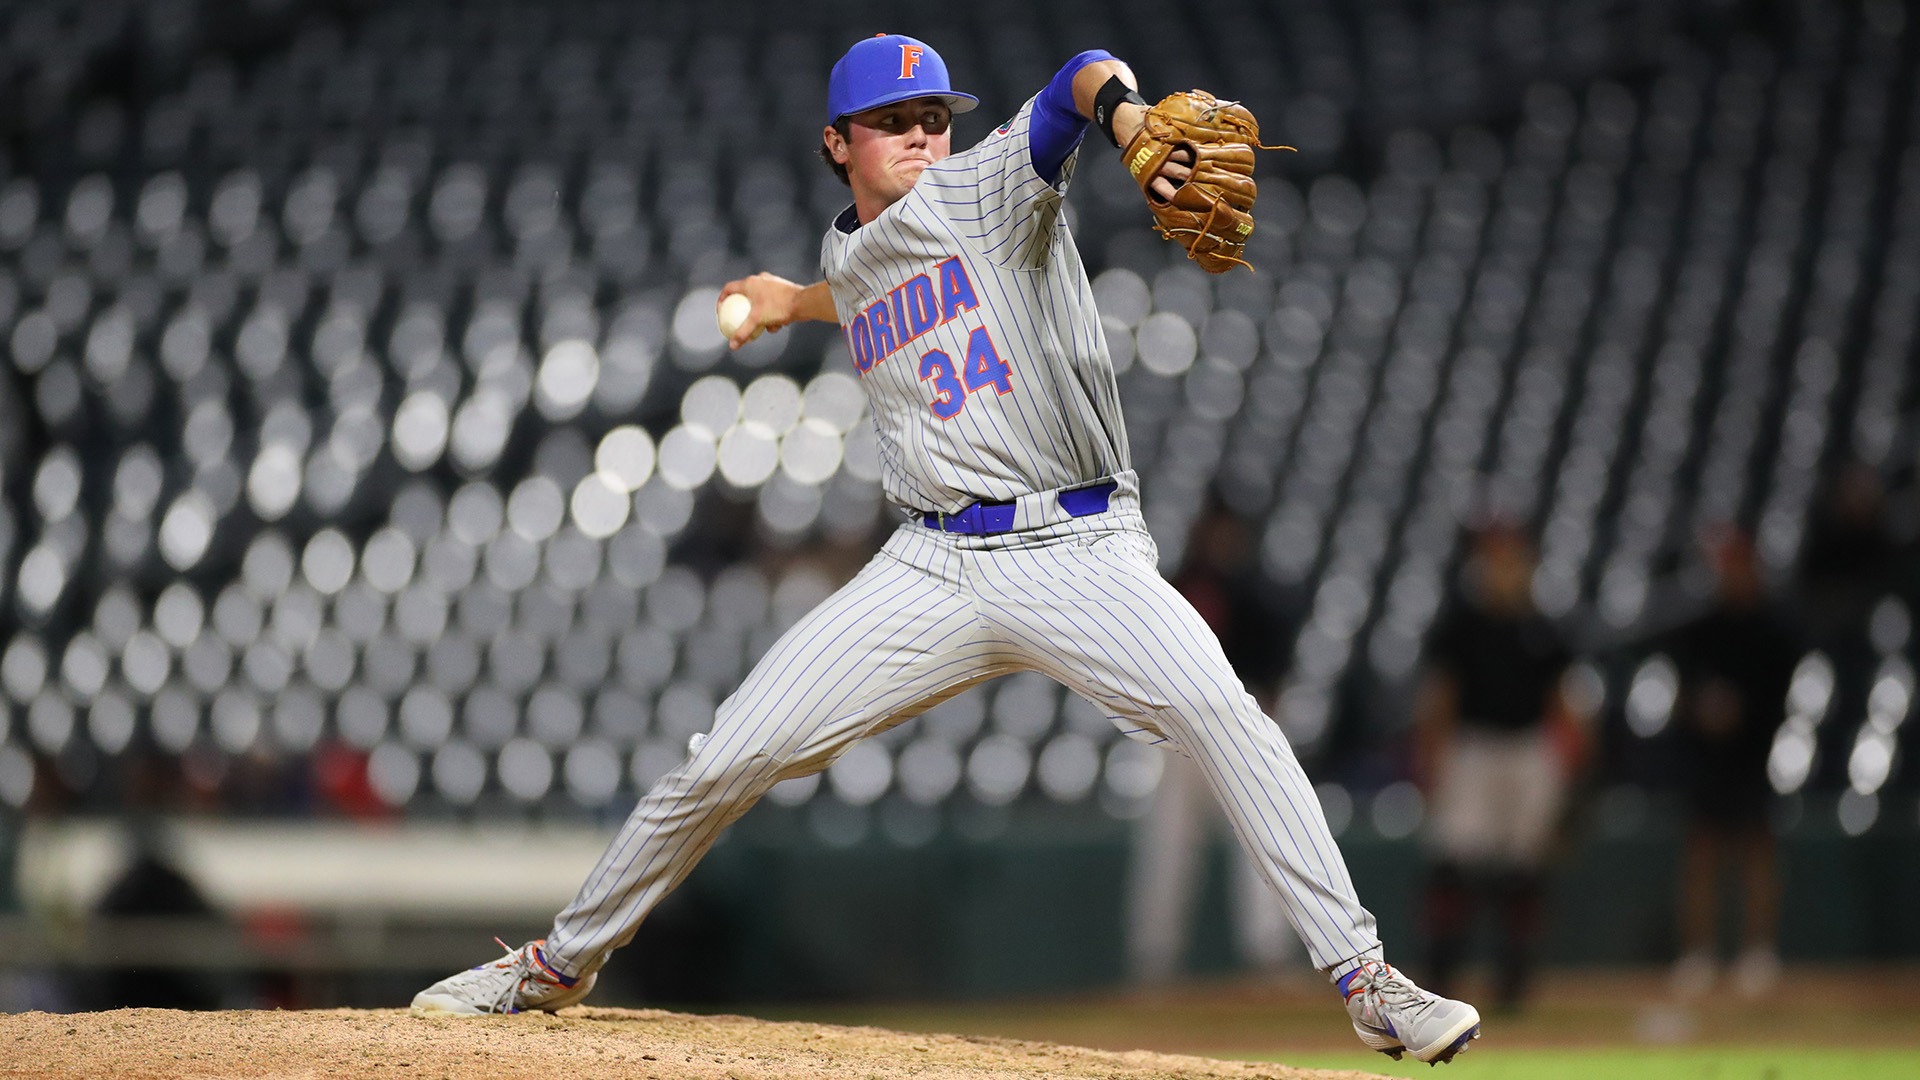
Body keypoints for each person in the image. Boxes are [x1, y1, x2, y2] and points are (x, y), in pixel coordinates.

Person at [412, 35, 1481, 1064]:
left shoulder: (990, 187)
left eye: (935, 117)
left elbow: (1074, 78)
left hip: (1077, 546)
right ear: (838, 142)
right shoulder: (851, 244)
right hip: (929, 566)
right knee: (727, 754)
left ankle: (1368, 980)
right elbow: (872, 279)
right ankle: (553, 966)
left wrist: (1125, 114)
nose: (924, 136)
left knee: (1221, 714)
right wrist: (791, 301)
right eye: (895, 122)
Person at [1413, 522, 1586, 1012]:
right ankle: (1440, 977)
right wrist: (1431, 764)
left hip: (1530, 749)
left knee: (1523, 871)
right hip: (1472, 748)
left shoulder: (1545, 629)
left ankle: (1514, 982)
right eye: (1495, 559)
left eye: (1512, 559)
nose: (1503, 570)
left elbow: (1566, 705)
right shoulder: (1460, 627)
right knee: (1453, 864)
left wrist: (1571, 774)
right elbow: (1438, 701)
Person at [1666, 527, 1798, 1000]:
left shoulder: (1773, 630)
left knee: (1756, 853)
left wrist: (1742, 714)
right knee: (1702, 854)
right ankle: (1698, 955)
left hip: (1753, 756)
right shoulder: (1702, 629)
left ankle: (1757, 953)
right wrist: (1702, 714)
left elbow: (1784, 698)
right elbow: (1680, 696)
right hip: (1708, 761)